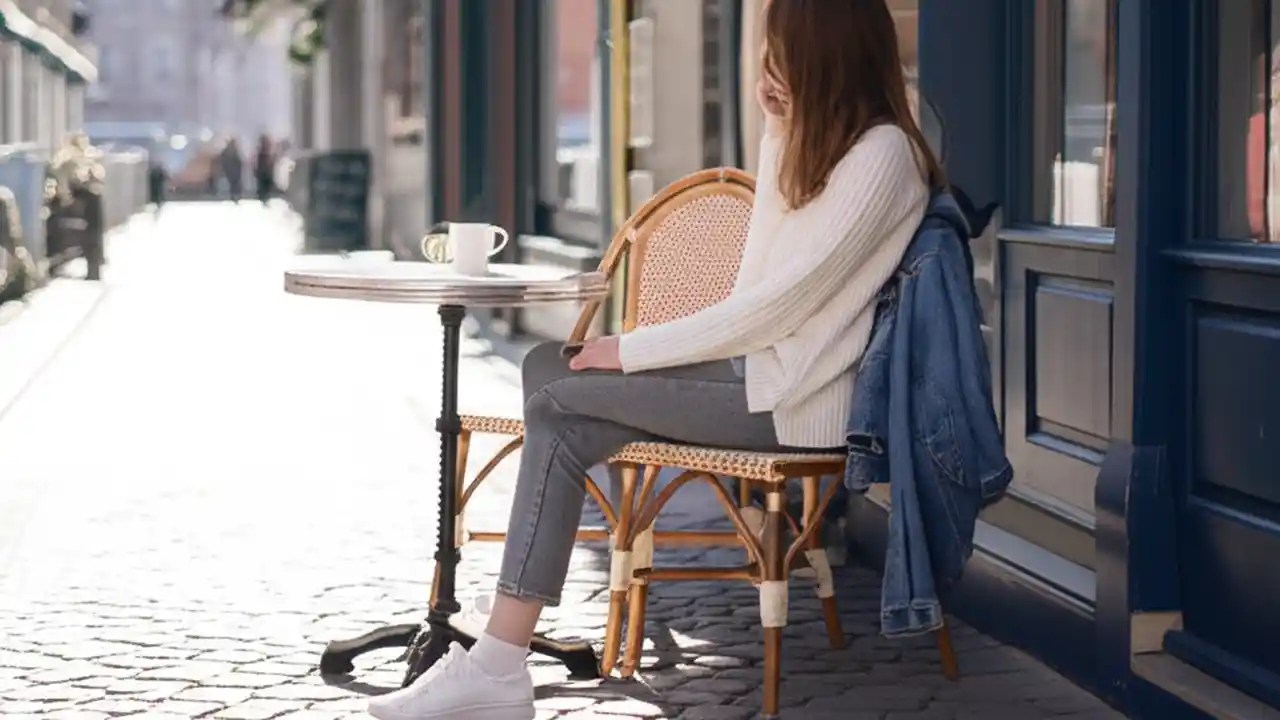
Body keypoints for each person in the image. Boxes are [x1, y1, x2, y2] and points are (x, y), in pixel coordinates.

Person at [367, 1, 943, 718]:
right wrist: (776, 132)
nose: (769, 66)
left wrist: (627, 350)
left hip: (792, 404)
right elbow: (758, 282)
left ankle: (502, 646)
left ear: (824, 54)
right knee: (549, 371)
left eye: (779, 49)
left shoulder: (883, 158)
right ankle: (506, 637)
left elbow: (773, 310)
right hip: (759, 377)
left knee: (559, 396)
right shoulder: (825, 146)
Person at [220, 137, 244, 203]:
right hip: (233, 171)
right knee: (235, 184)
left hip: (231, 171)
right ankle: (235, 196)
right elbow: (239, 161)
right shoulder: (234, 151)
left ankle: (234, 196)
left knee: (233, 184)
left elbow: (223, 160)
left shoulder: (227, 151)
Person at [254, 135, 276, 205]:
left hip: (264, 172)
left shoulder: (263, 151)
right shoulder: (263, 152)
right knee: (264, 187)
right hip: (264, 172)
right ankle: (264, 198)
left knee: (264, 187)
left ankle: (264, 198)